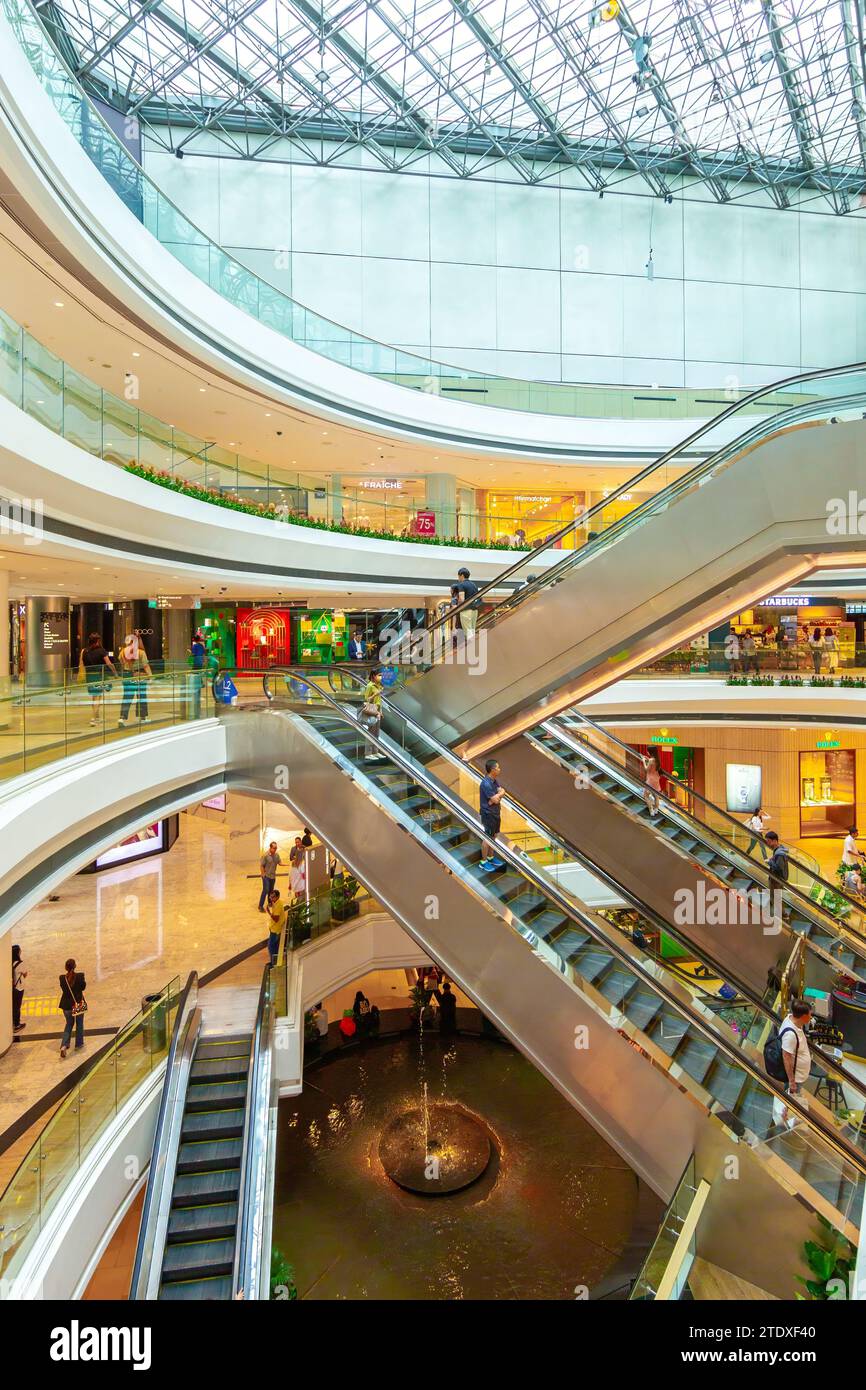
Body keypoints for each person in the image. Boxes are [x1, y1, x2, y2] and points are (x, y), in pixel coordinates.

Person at [80, 632, 117, 726]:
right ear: (97, 641)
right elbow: (109, 663)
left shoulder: (84, 651)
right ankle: (93, 718)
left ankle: (97, 718)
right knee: (98, 698)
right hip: (99, 676)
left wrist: (81, 676)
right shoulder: (101, 650)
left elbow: (81, 665)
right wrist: (115, 673)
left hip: (89, 676)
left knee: (94, 697)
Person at [118, 633, 153, 726]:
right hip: (139, 675)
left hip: (127, 675)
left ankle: (122, 718)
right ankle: (143, 717)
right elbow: (146, 666)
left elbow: (121, 663)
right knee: (141, 696)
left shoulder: (122, 652)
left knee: (127, 696)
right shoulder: (141, 652)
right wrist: (150, 677)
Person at [478, 758, 505, 872]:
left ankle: (490, 858)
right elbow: (496, 800)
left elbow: (502, 791)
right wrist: (497, 796)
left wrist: (498, 795)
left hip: (495, 813)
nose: (499, 769)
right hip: (488, 814)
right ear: (492, 769)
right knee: (487, 838)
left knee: (493, 836)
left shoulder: (494, 780)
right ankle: (483, 862)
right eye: (498, 767)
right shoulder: (486, 783)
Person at [58, 957, 86, 1059]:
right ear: (75, 966)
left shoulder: (62, 978)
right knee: (79, 1024)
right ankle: (79, 1043)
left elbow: (64, 989)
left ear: (66, 967)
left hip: (66, 1006)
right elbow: (83, 987)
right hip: (77, 1004)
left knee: (69, 1024)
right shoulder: (80, 976)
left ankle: (64, 1045)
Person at [360, 669, 384, 759]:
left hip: (377, 710)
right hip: (372, 710)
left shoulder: (377, 685)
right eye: (379, 675)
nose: (380, 677)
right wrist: (375, 694)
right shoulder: (370, 686)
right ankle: (368, 753)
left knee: (376, 733)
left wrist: (380, 712)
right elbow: (367, 700)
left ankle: (375, 751)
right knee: (371, 732)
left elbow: (379, 700)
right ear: (373, 676)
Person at [453, 567, 480, 637]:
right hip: (474, 611)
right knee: (472, 631)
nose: (458, 578)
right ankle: (474, 646)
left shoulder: (461, 585)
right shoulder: (474, 585)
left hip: (466, 611)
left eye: (458, 576)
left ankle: (470, 647)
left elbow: (462, 599)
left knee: (468, 634)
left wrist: (458, 607)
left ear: (462, 575)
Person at [265, 890, 288, 966]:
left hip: (276, 930)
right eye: (270, 897)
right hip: (275, 929)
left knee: (271, 947)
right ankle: (274, 961)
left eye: (273, 897)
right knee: (275, 947)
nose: (271, 898)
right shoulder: (278, 902)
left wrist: (269, 912)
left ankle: (273, 963)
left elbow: (276, 919)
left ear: (277, 897)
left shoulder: (278, 905)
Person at [259, 840, 281, 912]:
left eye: (276, 848)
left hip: (273, 876)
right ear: (270, 848)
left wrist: (288, 864)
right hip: (266, 876)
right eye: (274, 848)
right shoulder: (265, 855)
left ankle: (270, 903)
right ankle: (260, 906)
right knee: (266, 889)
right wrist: (263, 874)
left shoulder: (277, 855)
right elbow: (262, 865)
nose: (275, 849)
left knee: (271, 890)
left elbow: (279, 862)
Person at [188, 628, 206, 718]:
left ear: (194, 640)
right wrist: (203, 661)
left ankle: (198, 683)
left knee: (194, 672)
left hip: (196, 660)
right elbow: (203, 654)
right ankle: (201, 683)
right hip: (200, 660)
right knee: (199, 672)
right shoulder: (201, 646)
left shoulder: (194, 646)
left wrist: (189, 652)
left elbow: (193, 654)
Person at [12, 944, 26, 1034]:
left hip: (12, 988)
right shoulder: (20, 964)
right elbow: (25, 974)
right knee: (17, 1006)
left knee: (14, 1006)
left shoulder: (11, 963)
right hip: (19, 988)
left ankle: (14, 1023)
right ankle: (17, 1025)